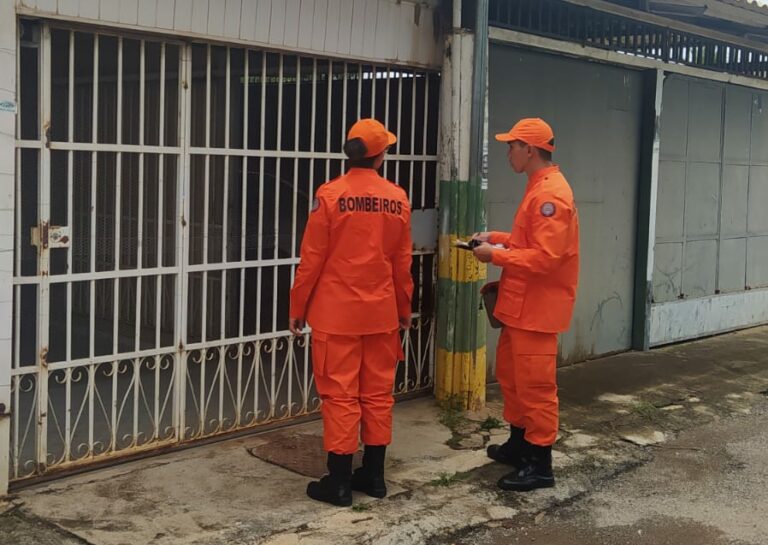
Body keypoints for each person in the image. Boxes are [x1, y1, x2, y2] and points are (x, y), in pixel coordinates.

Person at [289, 118, 413, 506]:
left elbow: (311, 259)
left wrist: (298, 306)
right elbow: (401, 263)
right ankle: (374, 476)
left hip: (336, 314)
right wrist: (404, 308)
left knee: (340, 396)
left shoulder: (330, 195)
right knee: (377, 394)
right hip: (381, 314)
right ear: (381, 155)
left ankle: (339, 481)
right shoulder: (397, 198)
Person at [471, 118, 579, 492]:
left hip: (536, 311)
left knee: (535, 387)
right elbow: (526, 241)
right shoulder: (539, 188)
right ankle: (520, 444)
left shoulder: (551, 195)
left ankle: (539, 463)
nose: (507, 154)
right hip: (520, 308)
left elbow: (546, 258)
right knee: (513, 379)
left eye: (511, 146)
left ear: (529, 149)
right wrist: (495, 238)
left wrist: (494, 256)